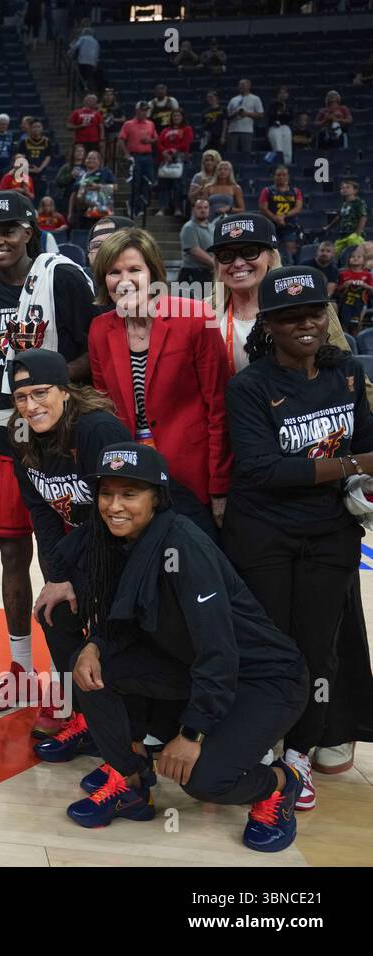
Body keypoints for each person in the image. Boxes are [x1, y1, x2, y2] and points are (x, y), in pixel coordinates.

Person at [57, 441, 308, 853]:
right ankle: (132, 785)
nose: (114, 505)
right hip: (194, 667)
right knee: (89, 670)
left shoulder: (182, 547)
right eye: (106, 493)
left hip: (264, 678)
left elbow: (219, 648)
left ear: (157, 497)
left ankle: (280, 785)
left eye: (129, 494)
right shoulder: (117, 539)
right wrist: (96, 645)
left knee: (205, 781)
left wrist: (193, 732)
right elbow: (128, 618)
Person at [223, 265, 373, 811]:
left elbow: (366, 445)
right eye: (288, 316)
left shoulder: (347, 374)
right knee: (269, 646)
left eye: (312, 312)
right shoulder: (249, 387)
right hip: (263, 533)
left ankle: (301, 754)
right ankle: (262, 742)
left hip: (329, 535)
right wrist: (355, 461)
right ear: (269, 324)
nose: (304, 323)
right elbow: (263, 470)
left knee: (318, 650)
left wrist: (361, 479)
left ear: (326, 315)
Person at [0, 189, 95, 725]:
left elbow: (96, 349)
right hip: (4, 440)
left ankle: (85, 677)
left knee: (69, 557)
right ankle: (21, 669)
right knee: (15, 555)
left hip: (60, 439)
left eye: (8, 231)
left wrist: (44, 391)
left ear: (29, 231)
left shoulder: (60, 274)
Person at [6, 348, 130, 756]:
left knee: (111, 623)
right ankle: (78, 709)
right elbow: (41, 510)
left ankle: (125, 720)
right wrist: (57, 576)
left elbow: (117, 512)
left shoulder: (97, 431)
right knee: (53, 610)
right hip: (83, 542)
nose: (31, 406)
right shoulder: (21, 434)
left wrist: (81, 577)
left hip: (130, 546)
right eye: (21, 398)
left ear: (64, 390)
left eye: (41, 393)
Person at [89, 227, 230, 535]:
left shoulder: (195, 317)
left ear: (153, 272)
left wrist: (219, 486)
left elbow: (218, 407)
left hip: (191, 474)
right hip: (130, 477)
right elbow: (104, 411)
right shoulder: (99, 330)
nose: (124, 280)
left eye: (134, 269)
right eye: (114, 272)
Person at [258, 166, 303, 263]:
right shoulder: (267, 191)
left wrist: (283, 215)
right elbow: (263, 208)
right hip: (271, 225)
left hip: (289, 225)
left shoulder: (295, 191)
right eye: (278, 175)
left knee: (290, 251)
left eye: (284, 175)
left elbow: (298, 208)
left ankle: (291, 270)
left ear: (288, 177)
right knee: (272, 250)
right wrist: (275, 218)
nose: (281, 177)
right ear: (274, 176)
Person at [179, 198, 215, 285]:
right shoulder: (189, 227)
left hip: (208, 273)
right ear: (193, 210)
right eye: (199, 208)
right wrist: (215, 264)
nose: (203, 210)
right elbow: (194, 251)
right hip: (192, 274)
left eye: (205, 207)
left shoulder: (211, 227)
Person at [336, 245, 372, 332]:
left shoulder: (367, 275)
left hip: (361, 301)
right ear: (348, 260)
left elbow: (371, 288)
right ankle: (346, 336)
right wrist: (345, 285)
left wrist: (365, 285)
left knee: (357, 323)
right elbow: (337, 290)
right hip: (346, 301)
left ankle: (356, 336)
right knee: (345, 322)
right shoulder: (343, 274)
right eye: (352, 257)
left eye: (359, 257)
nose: (355, 258)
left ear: (364, 261)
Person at [225, 78, 264, 154]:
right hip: (233, 130)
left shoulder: (255, 99)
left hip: (247, 130)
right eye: (240, 85)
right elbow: (227, 116)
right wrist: (235, 113)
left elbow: (261, 114)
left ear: (249, 86)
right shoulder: (233, 99)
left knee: (246, 153)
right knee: (232, 153)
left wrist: (247, 114)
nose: (241, 87)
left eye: (243, 85)